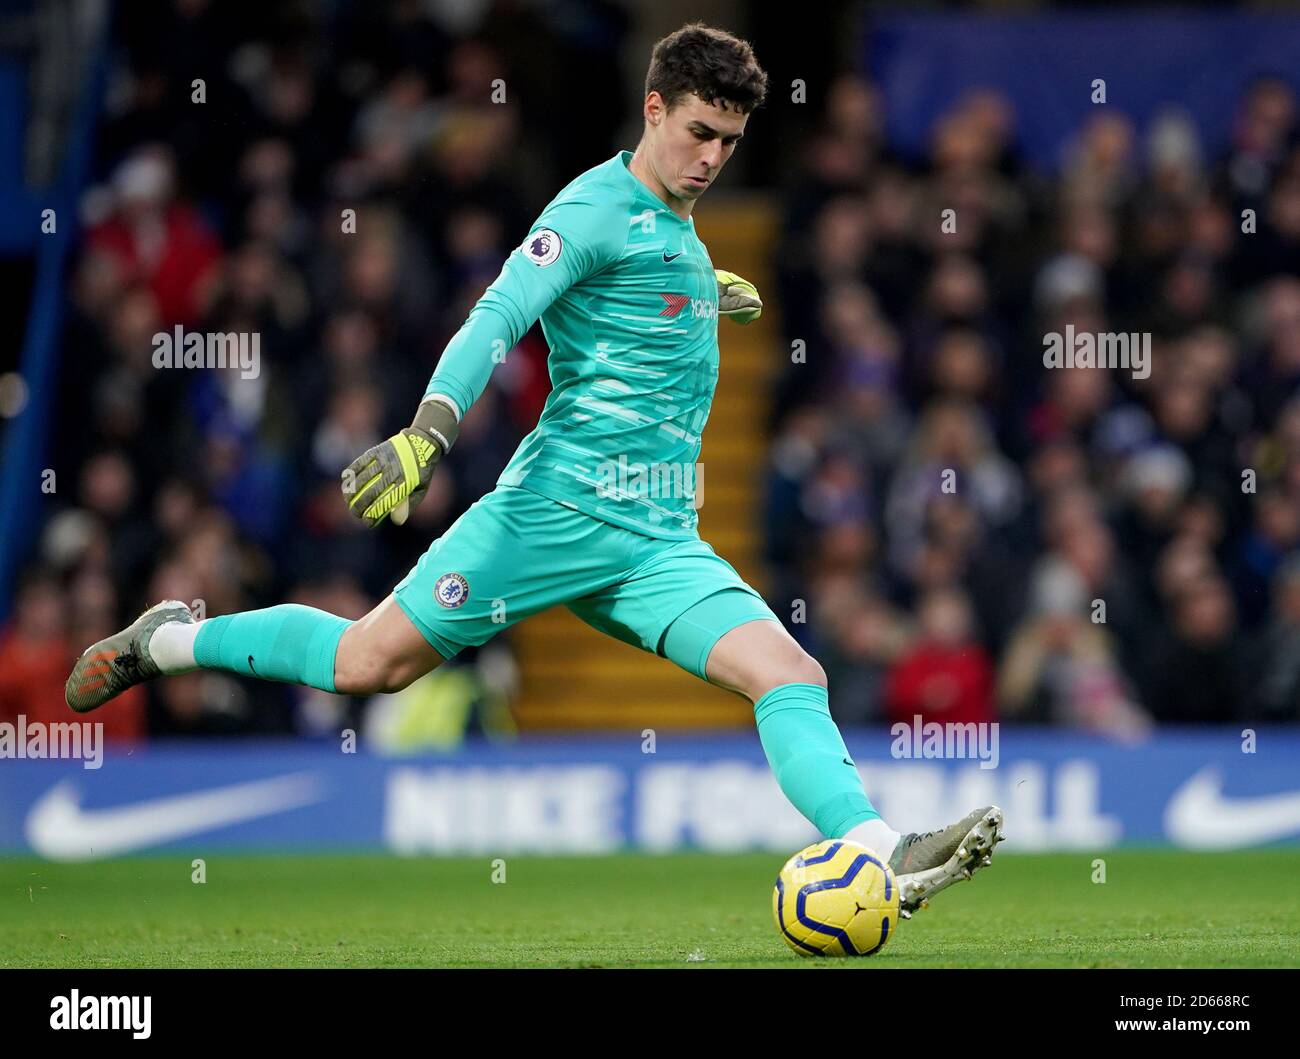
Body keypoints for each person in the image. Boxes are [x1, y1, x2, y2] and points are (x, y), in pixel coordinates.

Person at [66, 22, 1001, 915]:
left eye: (730, 140)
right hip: (552, 513)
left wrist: (702, 293)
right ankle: (168, 642)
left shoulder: (677, 226)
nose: (712, 158)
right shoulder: (593, 207)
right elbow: (497, 316)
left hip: (656, 537)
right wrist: (426, 434)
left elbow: (633, 295)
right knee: (369, 662)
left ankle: (882, 849)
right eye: (699, 132)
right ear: (653, 109)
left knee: (791, 672)